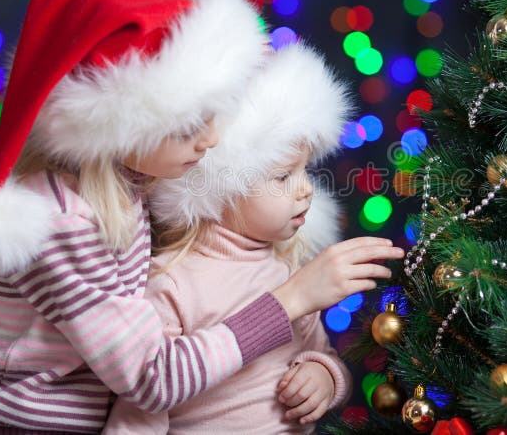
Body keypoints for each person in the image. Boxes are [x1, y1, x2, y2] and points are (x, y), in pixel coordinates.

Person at [0, 0, 402, 434]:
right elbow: (151, 380)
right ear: (120, 128)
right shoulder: (62, 220)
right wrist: (293, 298)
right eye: (186, 126)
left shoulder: (126, 194)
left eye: (214, 114)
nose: (212, 139)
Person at [105, 43, 362, 434]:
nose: (307, 189)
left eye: (305, 170)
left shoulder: (289, 271)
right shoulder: (173, 282)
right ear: (218, 190)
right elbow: (142, 406)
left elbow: (322, 354)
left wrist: (325, 376)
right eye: (282, 176)